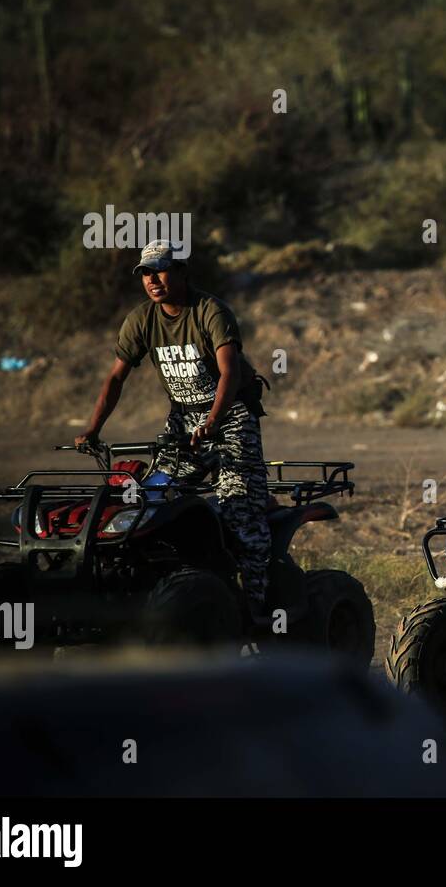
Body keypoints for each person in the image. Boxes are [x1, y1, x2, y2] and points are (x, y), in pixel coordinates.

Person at [75, 240, 273, 620]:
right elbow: (116, 378)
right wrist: (92, 430)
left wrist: (213, 422)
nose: (153, 280)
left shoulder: (210, 311)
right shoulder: (141, 320)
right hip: (182, 419)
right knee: (152, 504)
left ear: (182, 271)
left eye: (161, 270)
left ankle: (257, 608)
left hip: (230, 416)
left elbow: (230, 373)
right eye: (146, 273)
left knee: (240, 512)